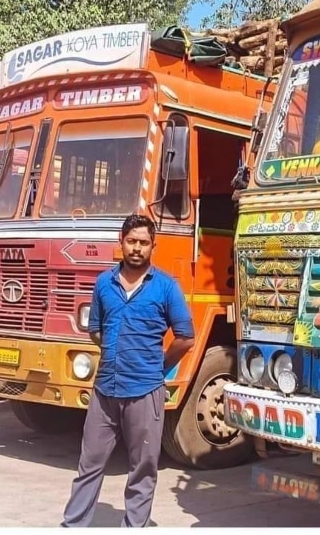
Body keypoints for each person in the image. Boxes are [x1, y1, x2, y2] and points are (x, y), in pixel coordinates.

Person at [61, 214, 195, 527]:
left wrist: (157, 368)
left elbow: (185, 338)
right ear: (121, 242)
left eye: (144, 243)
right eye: (131, 241)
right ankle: (72, 526)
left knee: (143, 468)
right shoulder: (103, 283)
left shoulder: (165, 287)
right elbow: (96, 329)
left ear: (153, 247)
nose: (137, 248)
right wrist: (114, 352)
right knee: (89, 464)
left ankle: (134, 527)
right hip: (105, 390)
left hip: (145, 392)